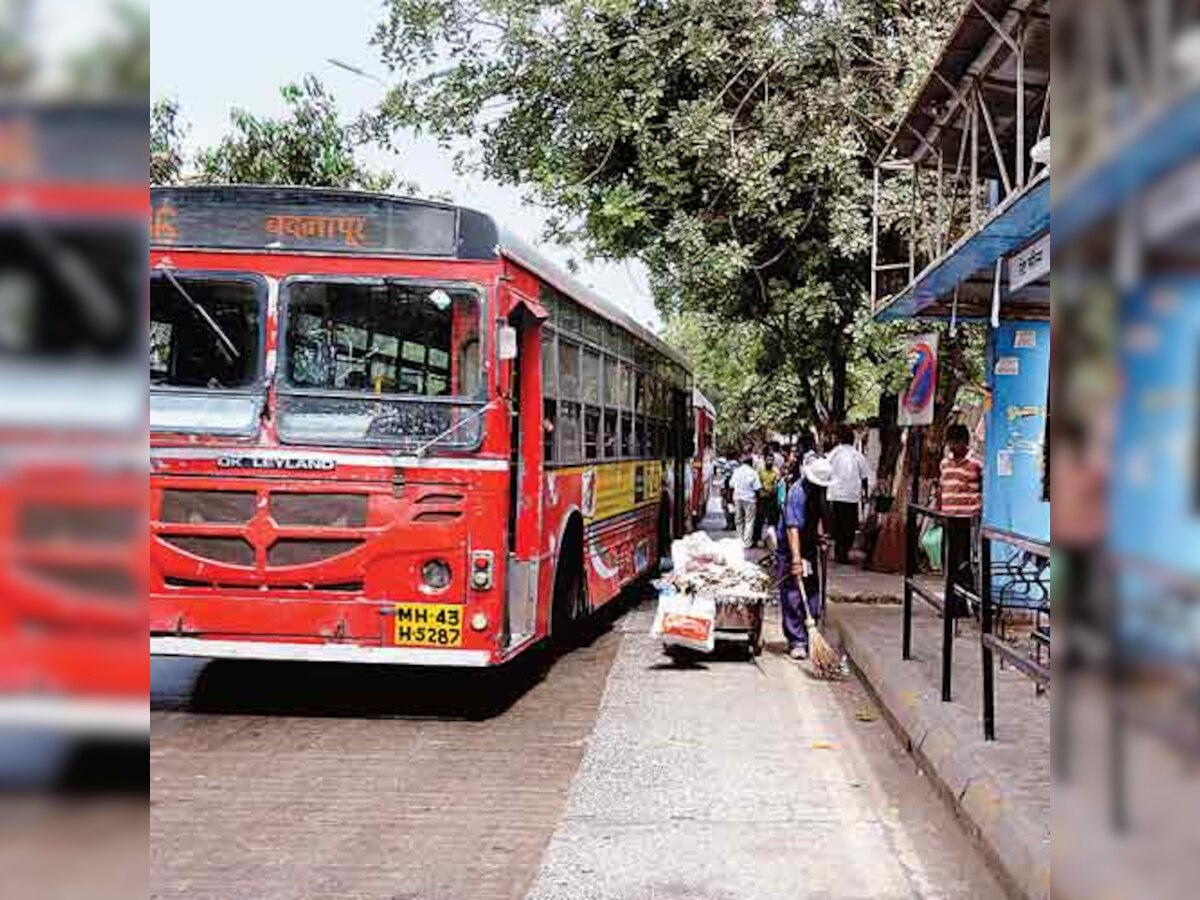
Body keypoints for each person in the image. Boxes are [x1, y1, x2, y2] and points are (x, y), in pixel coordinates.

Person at [778, 456, 833, 660]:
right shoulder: (797, 493)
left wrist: (821, 537)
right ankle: (796, 640)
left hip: (808, 544)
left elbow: (818, 516)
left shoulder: (819, 491)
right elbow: (792, 528)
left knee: (811, 591)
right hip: (791, 547)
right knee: (793, 593)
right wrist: (795, 559)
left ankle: (810, 630)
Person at [938, 423, 983, 610]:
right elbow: (942, 488)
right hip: (949, 519)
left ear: (965, 442)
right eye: (949, 443)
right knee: (949, 562)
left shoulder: (976, 464)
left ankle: (971, 602)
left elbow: (984, 489)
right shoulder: (945, 464)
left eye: (955, 443)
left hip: (967, 520)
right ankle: (954, 605)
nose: (951, 447)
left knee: (964, 563)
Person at [826, 424, 873, 564]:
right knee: (850, 527)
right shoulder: (857, 455)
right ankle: (843, 552)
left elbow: (825, 471)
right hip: (852, 497)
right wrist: (865, 494)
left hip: (835, 495)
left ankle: (839, 552)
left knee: (838, 526)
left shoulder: (834, 453)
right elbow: (864, 477)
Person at [729, 450, 761, 549]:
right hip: (750, 499)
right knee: (749, 521)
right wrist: (758, 500)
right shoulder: (753, 473)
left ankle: (740, 539)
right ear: (751, 463)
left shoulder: (736, 471)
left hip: (738, 498)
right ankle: (747, 542)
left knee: (739, 520)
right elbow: (757, 488)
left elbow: (731, 485)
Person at [754, 453, 781, 548]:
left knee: (773, 520)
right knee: (759, 519)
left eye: (771, 460)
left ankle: (774, 540)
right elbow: (757, 482)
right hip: (762, 497)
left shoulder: (776, 471)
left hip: (772, 498)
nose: (770, 462)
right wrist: (763, 489)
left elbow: (777, 483)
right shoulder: (760, 469)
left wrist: (773, 489)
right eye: (768, 460)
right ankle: (756, 539)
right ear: (764, 460)